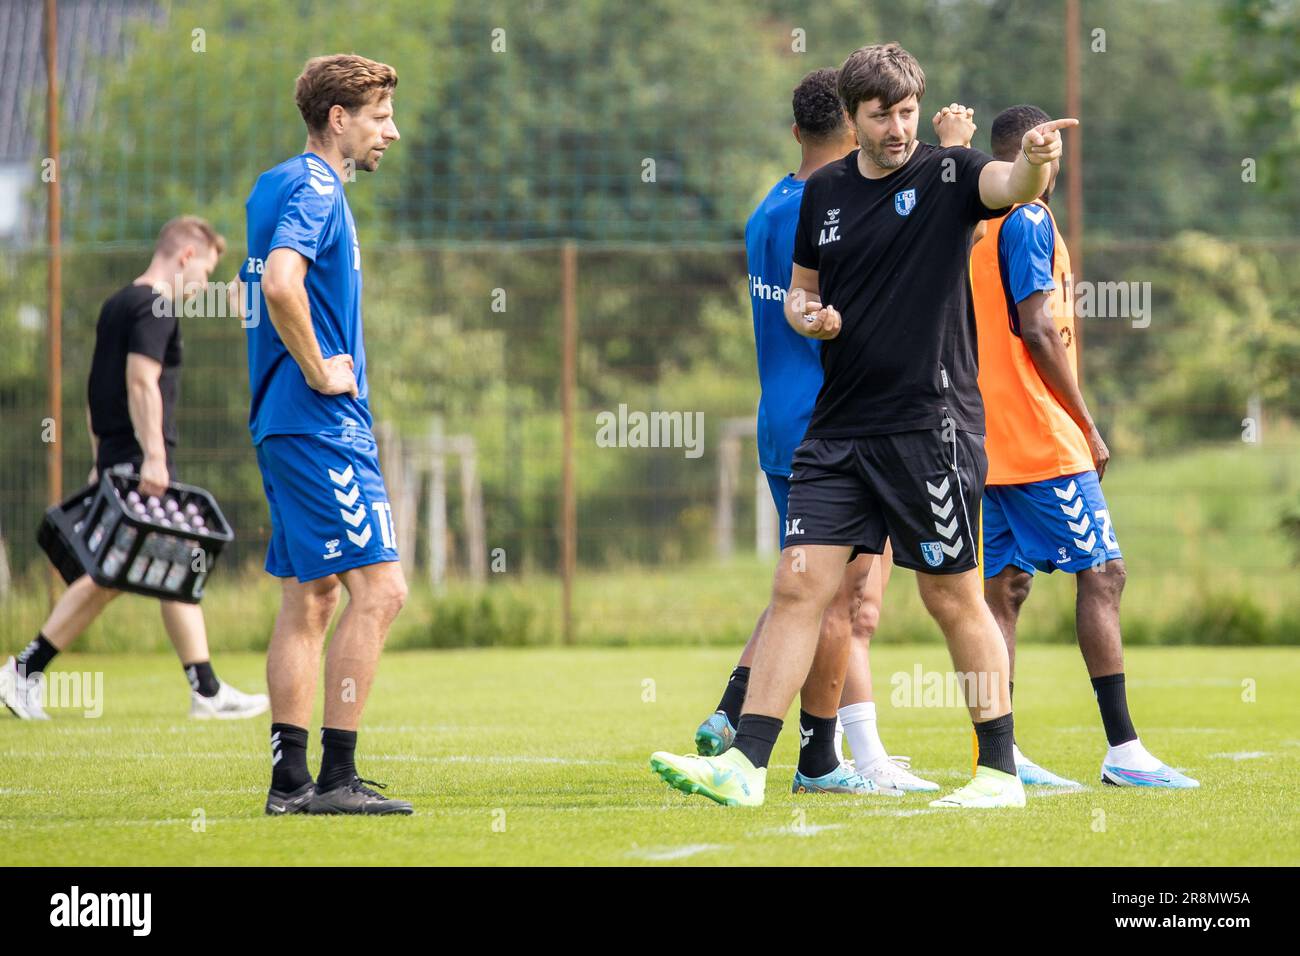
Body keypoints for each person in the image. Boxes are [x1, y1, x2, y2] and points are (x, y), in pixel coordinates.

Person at [652, 42, 1077, 809]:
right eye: (882, 115)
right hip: (838, 427)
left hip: (930, 428)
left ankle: (998, 772)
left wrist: (1039, 163)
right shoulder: (824, 196)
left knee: (951, 598)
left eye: (909, 112)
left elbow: (1011, 182)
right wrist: (807, 315)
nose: (898, 128)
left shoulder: (949, 174)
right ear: (852, 118)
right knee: (798, 584)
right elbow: (800, 293)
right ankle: (746, 765)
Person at [692, 69, 983, 795]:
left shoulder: (769, 210)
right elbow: (944, 237)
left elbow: (793, 302)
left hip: (782, 420)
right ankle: (837, 754)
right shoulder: (847, 202)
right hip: (846, 421)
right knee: (848, 602)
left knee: (808, 588)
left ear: (796, 131)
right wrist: (952, 151)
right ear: (855, 125)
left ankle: (753, 723)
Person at [971, 104, 1197, 789]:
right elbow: (1037, 330)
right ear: (1032, 159)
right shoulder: (1031, 219)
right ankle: (1124, 750)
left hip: (986, 439)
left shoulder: (975, 224)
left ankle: (997, 757)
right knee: (1104, 573)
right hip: (1040, 437)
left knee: (1002, 593)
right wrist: (1087, 421)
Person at [0, 217, 268, 722]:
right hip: (141, 459)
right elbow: (140, 382)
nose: (205, 285)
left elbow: (95, 391)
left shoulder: (119, 302)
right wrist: (154, 457)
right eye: (207, 271)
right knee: (116, 573)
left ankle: (205, 689)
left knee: (170, 562)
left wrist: (100, 460)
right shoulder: (157, 304)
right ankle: (23, 671)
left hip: (118, 456)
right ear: (186, 256)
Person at [243, 54, 411, 815]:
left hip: (281, 423)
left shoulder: (273, 182)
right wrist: (319, 369)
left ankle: (289, 782)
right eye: (380, 117)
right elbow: (281, 282)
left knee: (309, 598)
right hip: (317, 422)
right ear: (338, 120)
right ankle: (337, 780)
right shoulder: (315, 185)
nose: (392, 132)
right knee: (381, 590)